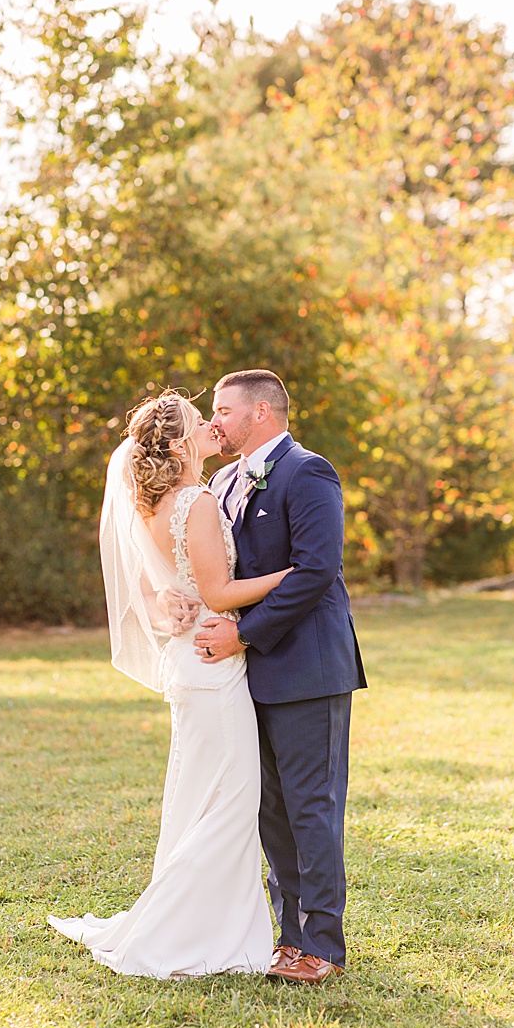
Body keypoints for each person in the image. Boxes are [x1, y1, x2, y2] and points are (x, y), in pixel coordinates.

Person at [48, 391, 291, 977]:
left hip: (191, 662)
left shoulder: (155, 505)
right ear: (180, 444)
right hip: (212, 665)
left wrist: (166, 600)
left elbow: (154, 586)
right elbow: (218, 594)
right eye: (199, 421)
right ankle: (196, 935)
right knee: (230, 804)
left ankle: (195, 926)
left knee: (199, 799)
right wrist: (291, 575)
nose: (212, 426)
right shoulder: (196, 501)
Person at [192, 369, 366, 985]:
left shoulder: (308, 472)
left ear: (261, 412)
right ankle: (288, 937)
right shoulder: (221, 481)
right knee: (270, 809)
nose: (214, 421)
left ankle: (321, 946)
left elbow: (315, 571)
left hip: (308, 668)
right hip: (247, 675)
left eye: (223, 410)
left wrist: (243, 633)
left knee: (311, 807)